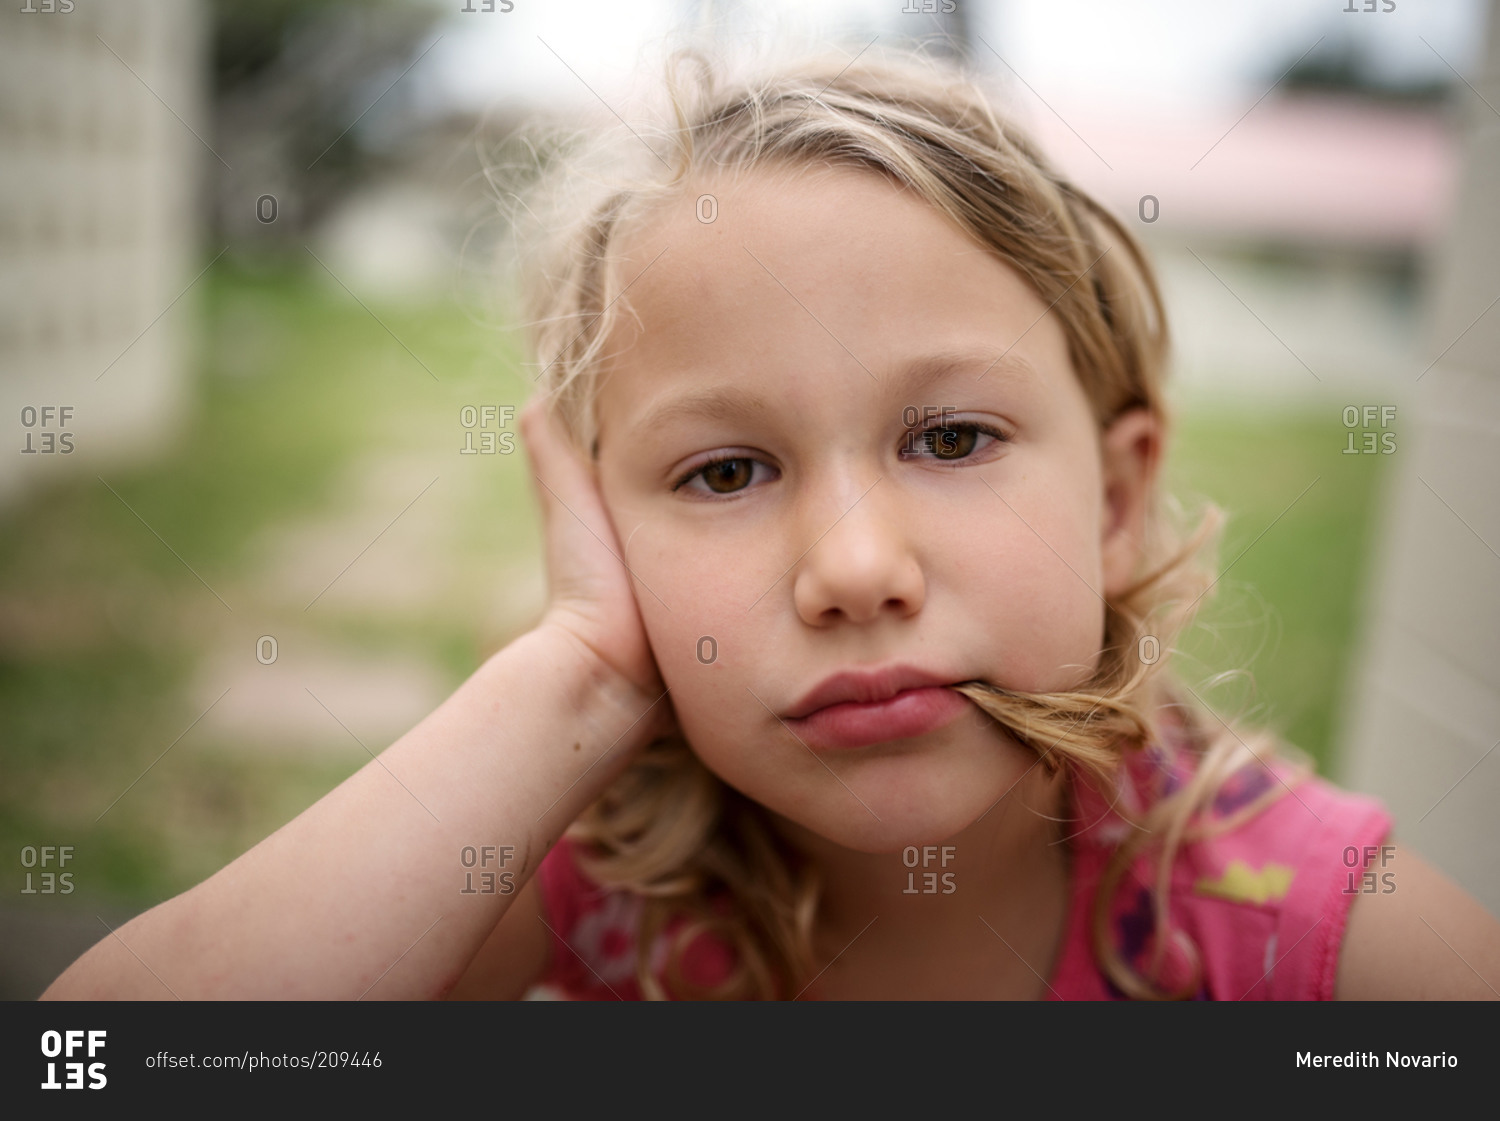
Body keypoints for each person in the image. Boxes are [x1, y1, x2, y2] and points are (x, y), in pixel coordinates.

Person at [44, 43, 1500, 1001]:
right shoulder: (601, 868)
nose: (856, 570)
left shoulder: (1299, 924)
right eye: (725, 472)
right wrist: (583, 677)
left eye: (951, 436)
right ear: (595, 523)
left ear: (1117, 497)